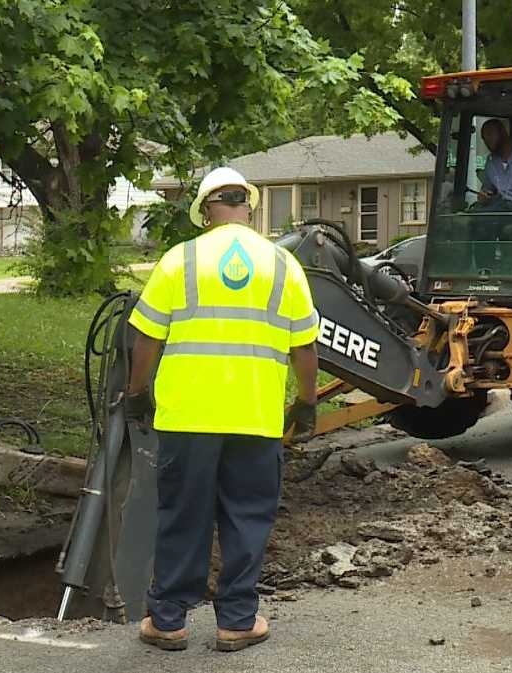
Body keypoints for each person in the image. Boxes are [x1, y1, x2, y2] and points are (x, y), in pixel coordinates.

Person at [124, 167, 320, 653]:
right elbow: (305, 347)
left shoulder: (180, 260)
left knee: (181, 515)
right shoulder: (282, 264)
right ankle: (236, 620)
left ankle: (166, 621)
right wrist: (307, 402)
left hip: (188, 419)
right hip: (254, 417)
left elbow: (147, 337)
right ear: (248, 207)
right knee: (248, 516)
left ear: (205, 209)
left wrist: (137, 392)